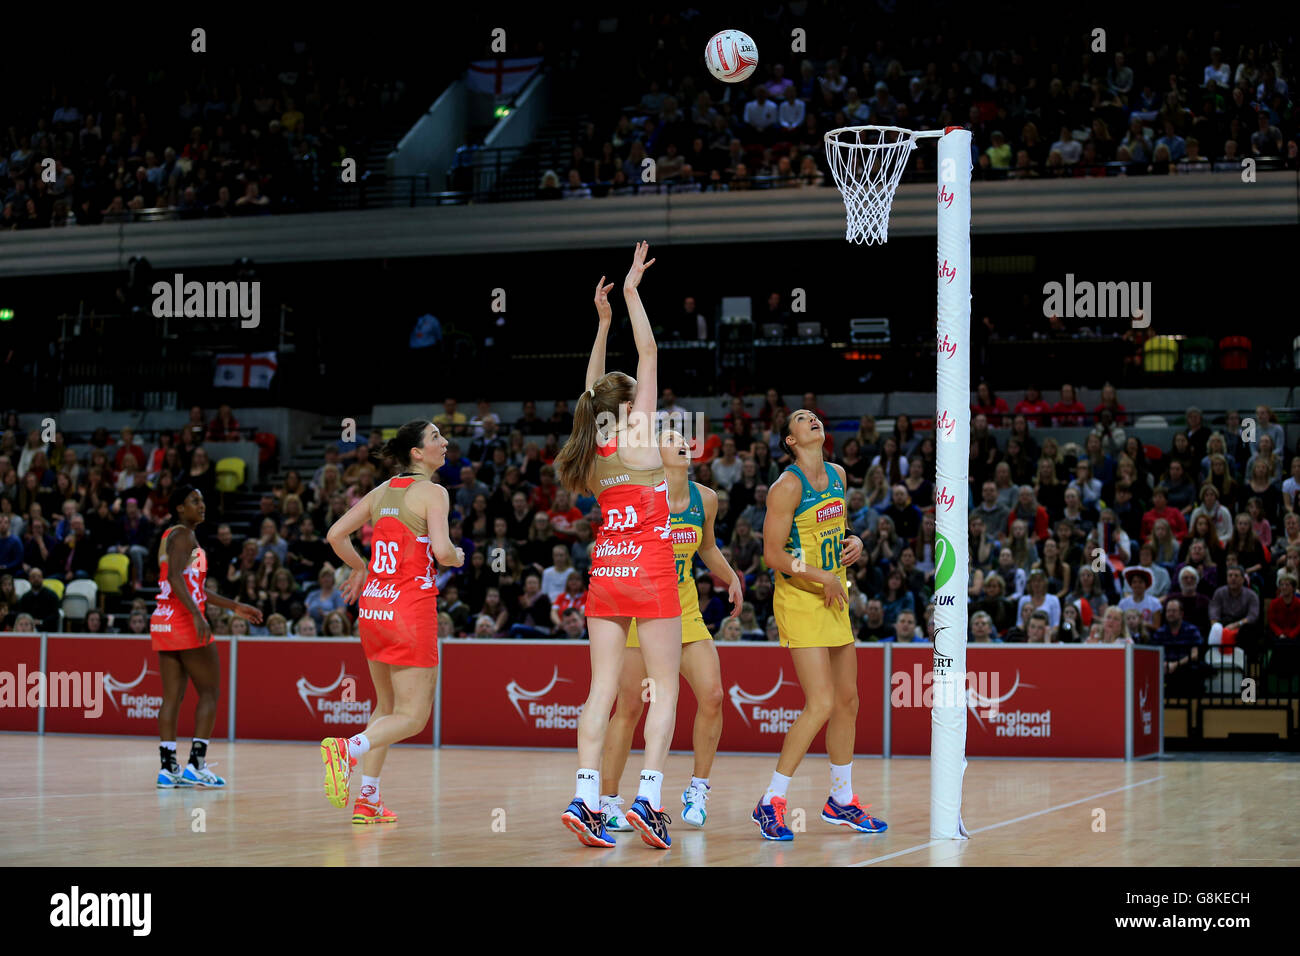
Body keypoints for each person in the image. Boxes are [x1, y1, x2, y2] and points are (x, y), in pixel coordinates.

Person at [553, 244, 682, 850]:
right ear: (629, 406)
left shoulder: (594, 443)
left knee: (601, 690)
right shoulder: (639, 432)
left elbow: (589, 389)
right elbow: (650, 351)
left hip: (605, 572)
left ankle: (585, 796)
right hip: (652, 572)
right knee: (661, 689)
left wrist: (601, 323)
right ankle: (649, 800)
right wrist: (631, 293)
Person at [320, 420, 464, 824]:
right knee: (414, 717)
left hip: (374, 609)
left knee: (386, 707)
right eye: (436, 437)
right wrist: (458, 556)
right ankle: (346, 750)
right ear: (417, 452)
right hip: (409, 610)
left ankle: (368, 798)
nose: (445, 441)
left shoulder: (381, 491)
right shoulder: (434, 492)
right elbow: (441, 550)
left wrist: (360, 567)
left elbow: (335, 535)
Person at [752, 407, 883, 841]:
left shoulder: (840, 474)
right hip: (801, 599)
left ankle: (841, 801)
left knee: (849, 701)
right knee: (822, 703)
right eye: (801, 419)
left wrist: (855, 543)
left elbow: (835, 531)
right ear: (790, 440)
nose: (812, 420)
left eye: (814, 416)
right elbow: (772, 555)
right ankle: (771, 801)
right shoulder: (786, 486)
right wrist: (821, 575)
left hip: (834, 594)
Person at [601, 430, 742, 832]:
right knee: (629, 706)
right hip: (639, 612)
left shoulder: (706, 499)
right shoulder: (640, 496)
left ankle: (698, 789)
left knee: (713, 696)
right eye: (670, 439)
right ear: (654, 453)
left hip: (684, 613)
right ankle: (609, 799)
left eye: (684, 438)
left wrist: (730, 576)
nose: (682, 443)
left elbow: (707, 547)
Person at [151, 485, 263, 788]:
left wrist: (234, 606)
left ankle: (167, 768)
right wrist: (198, 615)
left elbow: (193, 586)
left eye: (202, 500)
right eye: (193, 501)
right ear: (179, 508)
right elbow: (175, 579)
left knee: (172, 696)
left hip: (164, 621)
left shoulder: (172, 536)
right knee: (210, 692)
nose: (201, 505)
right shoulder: (184, 535)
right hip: (184, 621)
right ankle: (196, 765)